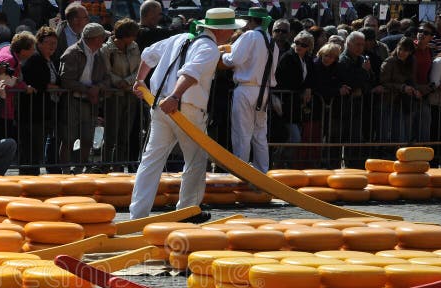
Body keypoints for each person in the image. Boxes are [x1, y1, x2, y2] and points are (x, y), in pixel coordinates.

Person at [129, 8, 242, 219]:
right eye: (231, 29)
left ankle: (137, 213)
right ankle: (188, 210)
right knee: (196, 159)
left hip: (160, 106)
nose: (232, 34)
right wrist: (175, 96)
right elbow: (190, 74)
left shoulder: (180, 38)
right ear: (222, 30)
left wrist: (139, 80)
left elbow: (148, 55)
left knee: (151, 160)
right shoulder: (209, 49)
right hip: (185, 109)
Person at [222, 6, 279, 174]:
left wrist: (223, 54)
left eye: (249, 20)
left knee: (242, 133)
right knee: (260, 134)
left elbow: (233, 59)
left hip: (246, 88)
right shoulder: (272, 41)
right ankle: (262, 172)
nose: (246, 24)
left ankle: (241, 173)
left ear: (254, 21)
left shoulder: (250, 36)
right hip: (264, 90)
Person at [58, 22, 109, 172]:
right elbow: (66, 79)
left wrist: (97, 88)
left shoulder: (99, 54)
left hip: (90, 103)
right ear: (94, 38)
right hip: (72, 101)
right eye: (102, 38)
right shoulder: (72, 53)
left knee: (87, 139)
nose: (104, 41)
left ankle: (80, 169)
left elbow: (107, 78)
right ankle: (65, 171)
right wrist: (88, 90)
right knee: (68, 138)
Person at [100, 18, 140, 170]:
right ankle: (105, 166)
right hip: (113, 96)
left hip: (130, 95)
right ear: (124, 35)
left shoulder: (134, 47)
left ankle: (118, 167)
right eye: (132, 35)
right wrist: (118, 82)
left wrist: (128, 81)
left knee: (125, 134)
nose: (134, 38)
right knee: (111, 134)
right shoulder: (106, 49)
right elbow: (106, 71)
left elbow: (139, 67)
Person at [20, 26, 60, 174]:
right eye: (49, 43)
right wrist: (53, 87)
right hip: (33, 111)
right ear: (40, 43)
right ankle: (28, 176)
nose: (52, 46)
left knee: (39, 146)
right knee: (32, 148)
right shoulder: (35, 59)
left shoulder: (51, 59)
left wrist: (55, 87)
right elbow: (40, 83)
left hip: (46, 110)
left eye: (55, 43)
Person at [274, 30, 314, 168]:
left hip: (296, 105)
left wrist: (308, 87)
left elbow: (309, 78)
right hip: (286, 103)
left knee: (292, 137)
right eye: (297, 42)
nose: (299, 46)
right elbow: (286, 81)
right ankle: (279, 162)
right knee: (294, 137)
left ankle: (282, 163)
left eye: (303, 44)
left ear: (309, 47)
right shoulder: (288, 57)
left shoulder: (307, 60)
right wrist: (303, 89)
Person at [336, 31, 372, 167]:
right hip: (342, 108)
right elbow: (348, 81)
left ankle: (354, 168)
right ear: (348, 44)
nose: (360, 48)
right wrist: (362, 72)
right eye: (357, 44)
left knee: (355, 140)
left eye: (362, 45)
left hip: (358, 108)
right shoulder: (342, 60)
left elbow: (370, 81)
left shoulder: (363, 60)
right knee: (339, 140)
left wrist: (362, 88)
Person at [0, 31, 36, 140]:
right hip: (2, 109)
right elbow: (2, 82)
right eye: (32, 49)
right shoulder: (9, 59)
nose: (34, 52)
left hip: (3, 107)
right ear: (23, 51)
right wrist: (24, 87)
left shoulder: (7, 49)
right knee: (2, 142)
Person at [379, 37, 419, 142]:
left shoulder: (412, 61)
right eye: (400, 49)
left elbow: (412, 79)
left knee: (404, 130)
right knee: (390, 130)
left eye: (405, 50)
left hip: (405, 101)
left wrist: (415, 90)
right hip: (389, 100)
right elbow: (383, 82)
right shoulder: (390, 62)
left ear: (410, 52)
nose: (401, 52)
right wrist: (401, 87)